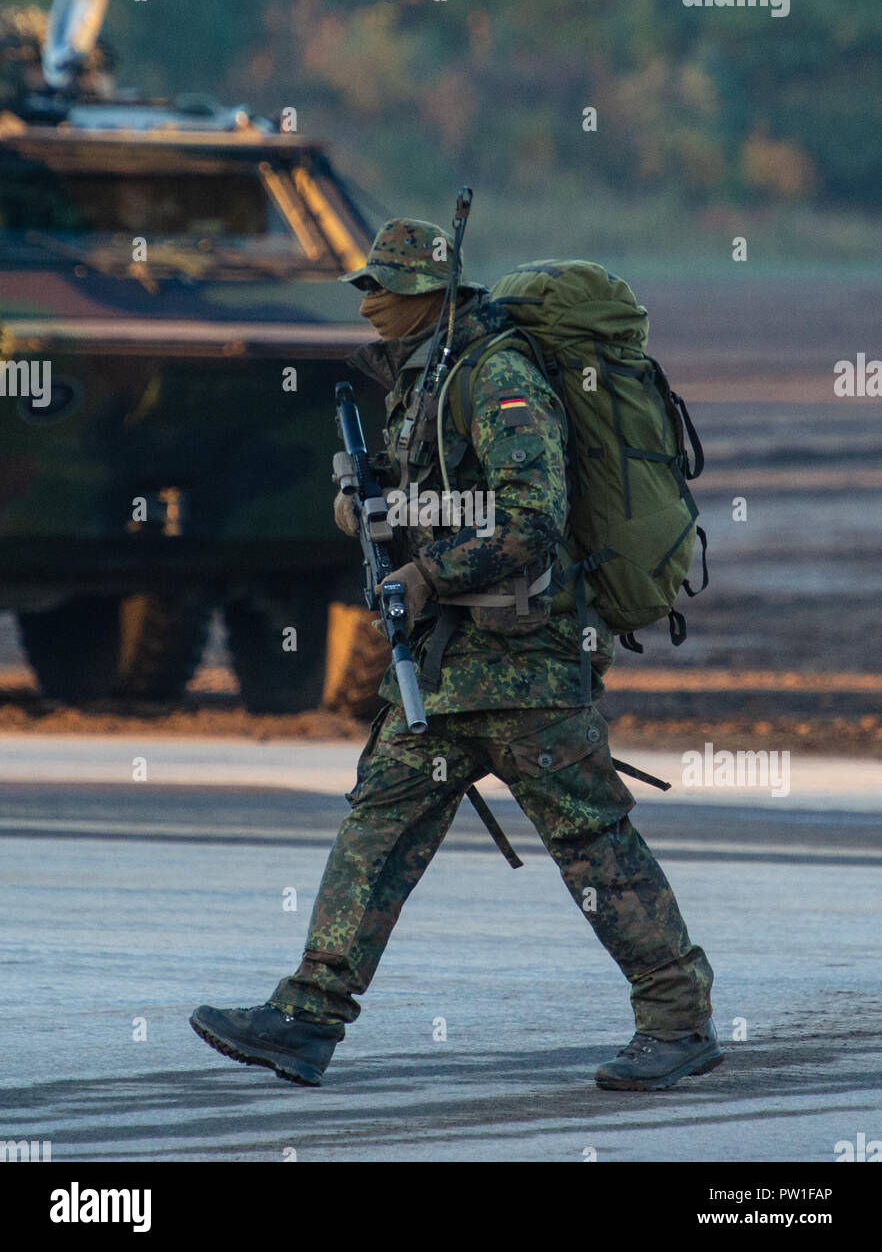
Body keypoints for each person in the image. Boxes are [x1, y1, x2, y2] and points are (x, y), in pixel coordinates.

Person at [191, 218, 721, 1092]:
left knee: (592, 843)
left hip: (526, 665)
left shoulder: (499, 375)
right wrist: (369, 510)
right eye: (367, 285)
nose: (371, 301)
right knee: (379, 825)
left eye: (386, 286)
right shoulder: (419, 379)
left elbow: (534, 518)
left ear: (433, 293)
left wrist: (430, 573)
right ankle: (307, 1018)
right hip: (448, 666)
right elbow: (439, 497)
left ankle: (680, 1021)